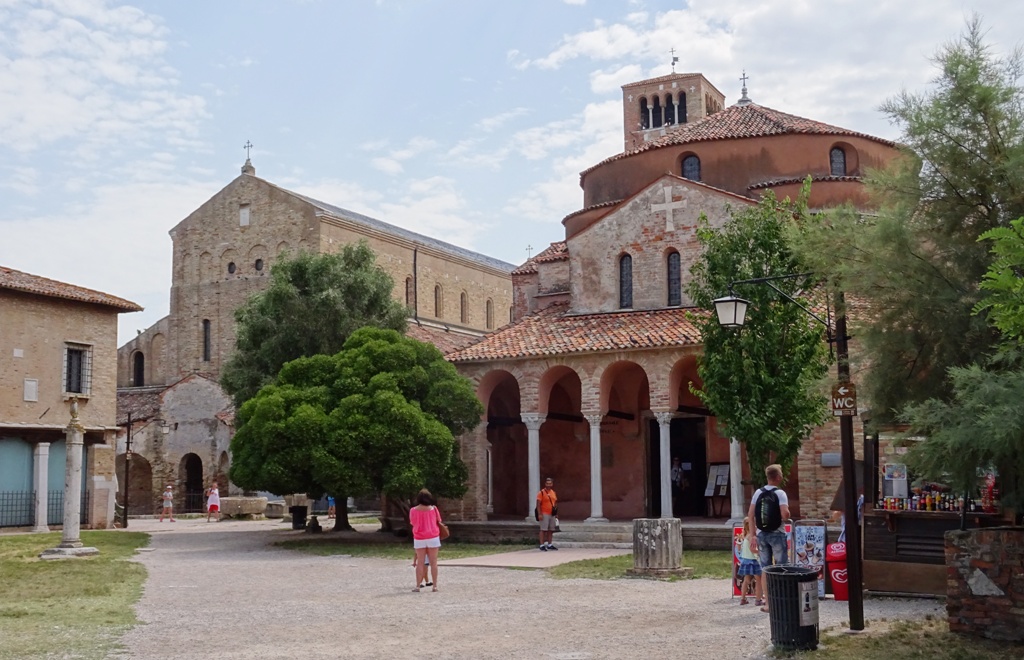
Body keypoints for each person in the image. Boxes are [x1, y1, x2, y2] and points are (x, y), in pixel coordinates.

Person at [748, 463, 791, 613]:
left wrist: (753, 534)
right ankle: (782, 600)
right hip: (777, 533)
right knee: (781, 566)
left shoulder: (757, 493)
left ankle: (768, 602)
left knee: (765, 568)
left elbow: (750, 515)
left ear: (768, 477)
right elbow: (785, 514)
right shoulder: (780, 493)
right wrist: (787, 514)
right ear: (778, 477)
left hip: (761, 535)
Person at [409, 488, 441, 592]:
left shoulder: (413, 510)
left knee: (420, 562)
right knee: (433, 562)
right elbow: (439, 521)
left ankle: (418, 586)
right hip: (433, 536)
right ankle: (435, 586)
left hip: (419, 537)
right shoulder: (434, 509)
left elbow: (412, 522)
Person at [736, 516, 763, 606]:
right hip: (753, 561)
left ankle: (743, 598)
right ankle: (758, 599)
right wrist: (761, 552)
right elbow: (753, 550)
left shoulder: (745, 535)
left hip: (745, 560)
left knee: (746, 580)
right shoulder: (751, 536)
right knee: (759, 580)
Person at [536, 476, 559, 551]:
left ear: (552, 484)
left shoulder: (553, 492)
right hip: (544, 513)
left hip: (552, 514)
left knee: (551, 530)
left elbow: (555, 503)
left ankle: (550, 544)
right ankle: (542, 545)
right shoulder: (541, 493)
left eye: (550, 483)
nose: (548, 485)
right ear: (545, 484)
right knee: (543, 529)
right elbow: (538, 504)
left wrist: (556, 513)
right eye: (547, 483)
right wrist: (540, 514)